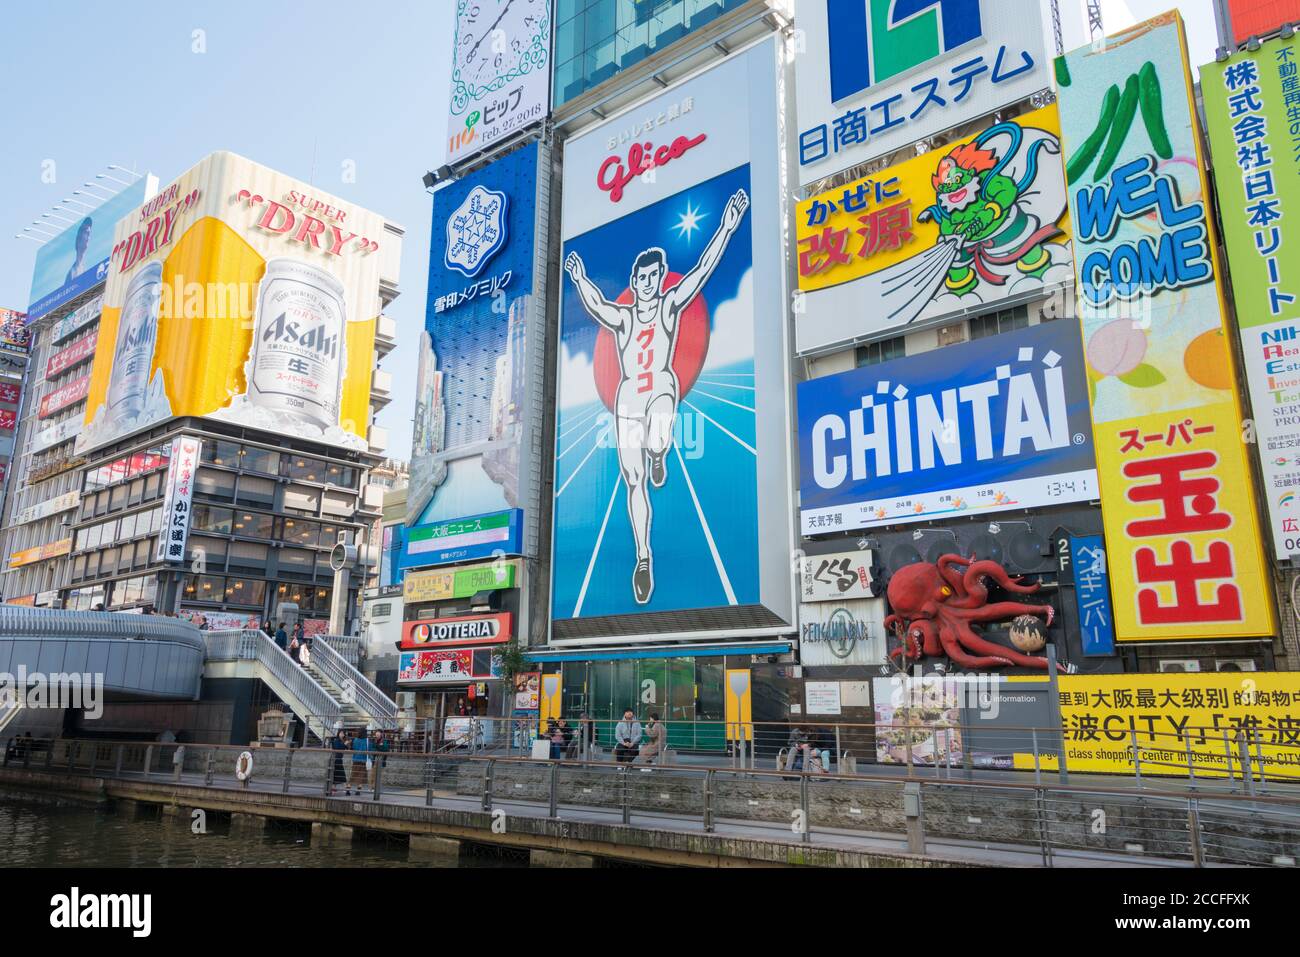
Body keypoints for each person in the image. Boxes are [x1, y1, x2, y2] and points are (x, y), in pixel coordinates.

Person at [563, 187, 750, 604]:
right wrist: (578, 277)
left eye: (654, 277)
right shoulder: (625, 318)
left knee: (659, 434)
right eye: (642, 279)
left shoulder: (668, 307)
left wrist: (727, 225)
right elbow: (596, 305)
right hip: (629, 398)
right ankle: (643, 557)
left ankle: (660, 450)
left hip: (661, 386)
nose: (648, 284)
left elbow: (702, 270)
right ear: (634, 282)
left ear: (660, 278)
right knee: (633, 479)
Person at [350, 730, 370, 795]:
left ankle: (348, 789)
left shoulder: (355, 740)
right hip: (363, 760)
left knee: (353, 775)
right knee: (361, 776)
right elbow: (368, 749)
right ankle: (358, 790)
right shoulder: (366, 741)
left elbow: (353, 748)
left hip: (355, 759)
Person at [329, 729, 347, 796]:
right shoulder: (337, 740)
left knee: (337, 773)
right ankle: (346, 788)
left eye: (343, 733)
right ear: (338, 733)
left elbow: (344, 748)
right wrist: (344, 744)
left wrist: (345, 744)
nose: (342, 734)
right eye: (341, 733)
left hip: (338, 759)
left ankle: (333, 788)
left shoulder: (342, 740)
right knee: (340, 773)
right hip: (336, 759)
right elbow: (338, 748)